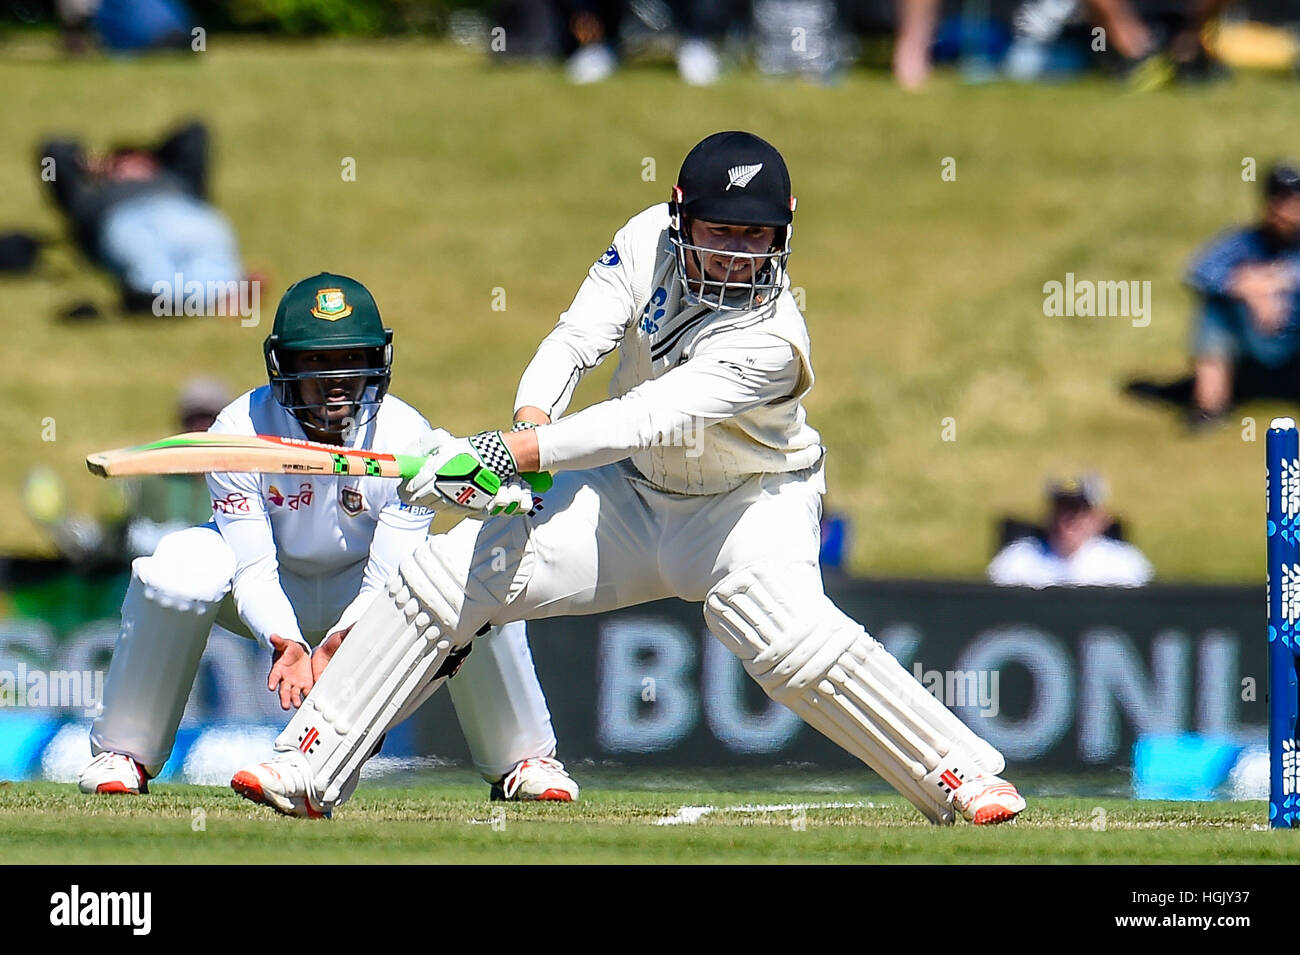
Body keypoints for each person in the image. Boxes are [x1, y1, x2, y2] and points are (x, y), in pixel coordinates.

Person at [232, 134, 1025, 826]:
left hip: (750, 508)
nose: (738, 255)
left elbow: (643, 415)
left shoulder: (773, 341)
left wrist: (510, 452)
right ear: (681, 219)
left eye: (758, 237)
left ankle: (956, 771)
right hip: (631, 498)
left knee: (774, 630)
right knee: (448, 574)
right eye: (721, 233)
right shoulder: (646, 240)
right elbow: (576, 340)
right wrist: (528, 431)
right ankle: (310, 762)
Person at [80, 273, 578, 804]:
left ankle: (523, 760)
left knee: (476, 570)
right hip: (263, 586)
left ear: (376, 360)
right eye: (316, 362)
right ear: (284, 365)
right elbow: (251, 568)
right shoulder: (240, 430)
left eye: (349, 357)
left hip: (372, 594)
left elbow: (391, 573)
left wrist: (346, 638)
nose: (335, 380)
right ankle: (124, 753)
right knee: (178, 566)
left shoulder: (407, 437)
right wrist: (285, 639)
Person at [39, 121, 245, 314]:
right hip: (125, 220)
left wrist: (150, 156)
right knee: (150, 261)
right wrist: (99, 166)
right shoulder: (91, 201)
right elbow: (52, 153)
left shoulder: (179, 180)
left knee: (206, 249)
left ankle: (221, 292)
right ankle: (164, 300)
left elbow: (195, 131)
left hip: (185, 213)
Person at [1186, 162, 1300, 428]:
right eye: (1279, 201)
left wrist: (1277, 281)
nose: (1286, 211)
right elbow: (1199, 270)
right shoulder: (1245, 241)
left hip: (1294, 336)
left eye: (1293, 201)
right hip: (1253, 334)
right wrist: (1243, 286)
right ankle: (1208, 408)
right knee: (1214, 310)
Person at [987, 474, 1153, 588]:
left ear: (1100, 518)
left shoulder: (1123, 563)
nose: (1069, 519)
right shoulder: (1017, 560)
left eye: (1079, 511)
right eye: (1062, 509)